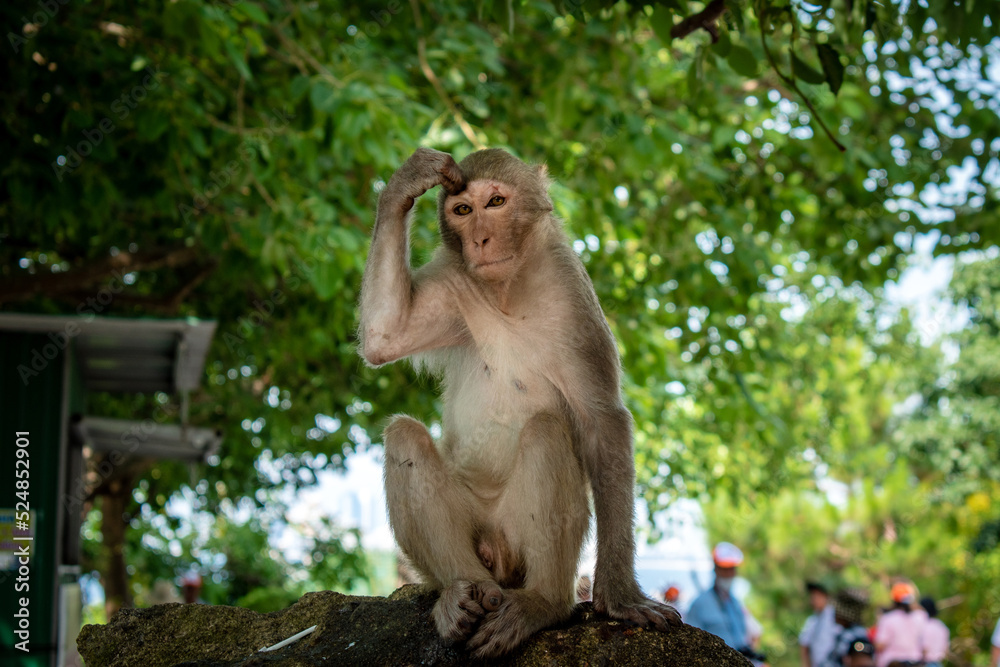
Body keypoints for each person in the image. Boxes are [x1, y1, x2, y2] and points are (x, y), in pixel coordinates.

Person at [685, 542, 751, 652]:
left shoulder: (735, 603)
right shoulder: (700, 604)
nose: (729, 573)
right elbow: (689, 644)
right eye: (725, 569)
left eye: (732, 569)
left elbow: (742, 638)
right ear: (716, 569)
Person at [874, 582, 925, 667]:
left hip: (892, 662)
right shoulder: (920, 617)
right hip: (915, 661)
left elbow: (880, 645)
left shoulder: (888, 618)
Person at [821, 588, 872, 667]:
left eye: (837, 612)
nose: (834, 615)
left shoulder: (857, 636)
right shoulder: (844, 631)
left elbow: (863, 661)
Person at [800, 580, 838, 667]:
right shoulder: (812, 620)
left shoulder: (835, 617)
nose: (814, 599)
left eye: (817, 596)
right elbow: (804, 644)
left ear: (825, 596)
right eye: (812, 596)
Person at [919, 597, 948, 667]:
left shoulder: (924, 625)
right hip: (938, 663)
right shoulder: (941, 626)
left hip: (924, 663)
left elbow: (924, 649)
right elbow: (946, 650)